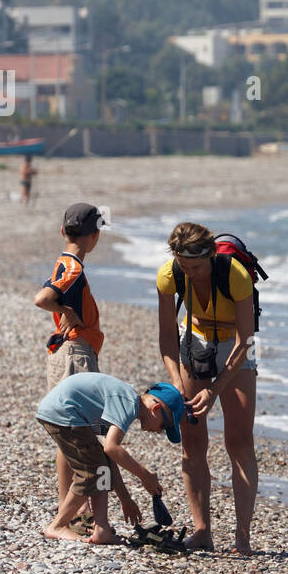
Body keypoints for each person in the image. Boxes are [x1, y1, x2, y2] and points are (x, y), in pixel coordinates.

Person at [155, 222, 258, 555]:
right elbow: (168, 338)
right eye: (184, 266)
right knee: (192, 438)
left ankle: (242, 537)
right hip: (194, 339)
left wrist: (214, 389)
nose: (191, 273)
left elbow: (246, 340)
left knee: (239, 440)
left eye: (196, 267)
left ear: (211, 257)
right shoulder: (170, 274)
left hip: (236, 345)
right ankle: (202, 531)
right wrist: (175, 380)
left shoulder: (236, 275)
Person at [35, 372, 180, 544]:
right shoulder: (128, 403)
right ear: (156, 409)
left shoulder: (127, 402)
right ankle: (58, 525)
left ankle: (101, 529)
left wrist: (125, 498)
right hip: (64, 412)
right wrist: (144, 475)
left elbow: (108, 458)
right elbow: (112, 448)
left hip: (67, 412)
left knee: (100, 467)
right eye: (163, 426)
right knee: (90, 474)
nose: (159, 431)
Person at [34, 203, 106, 521]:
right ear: (95, 236)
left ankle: (72, 508)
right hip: (75, 354)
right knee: (83, 437)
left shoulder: (64, 262)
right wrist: (69, 312)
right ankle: (78, 510)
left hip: (67, 351)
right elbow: (43, 298)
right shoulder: (74, 269)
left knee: (67, 436)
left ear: (63, 231)